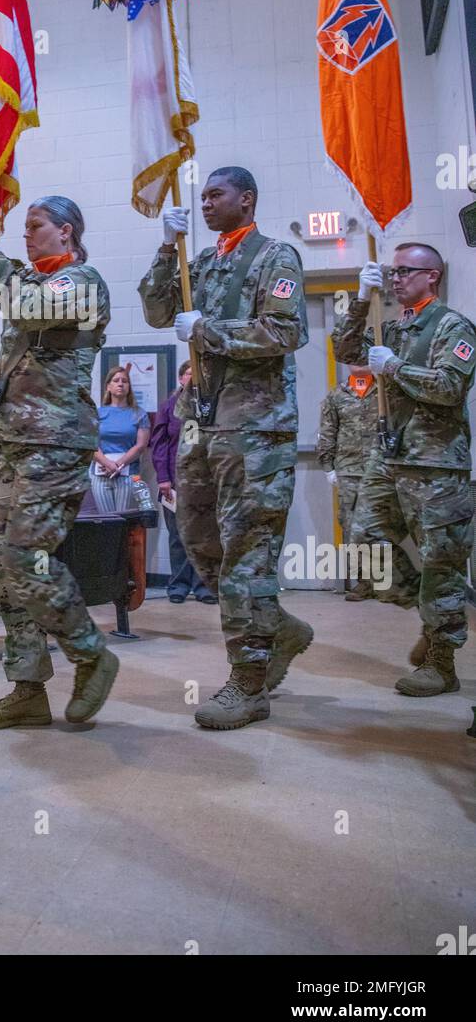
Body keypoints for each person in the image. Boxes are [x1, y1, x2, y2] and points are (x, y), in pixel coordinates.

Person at [139, 166, 310, 730]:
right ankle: (276, 627)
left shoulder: (275, 257)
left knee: (247, 553)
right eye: (203, 195)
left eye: (217, 194)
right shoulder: (202, 261)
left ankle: (249, 680)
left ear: (247, 199)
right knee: (198, 537)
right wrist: (167, 247)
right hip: (200, 422)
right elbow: (157, 311)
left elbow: (284, 333)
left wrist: (209, 330)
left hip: (253, 428)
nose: (206, 203)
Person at [0, 197, 118, 728]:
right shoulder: (19, 277)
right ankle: (27, 687)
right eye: (21, 228)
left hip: (57, 441)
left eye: (35, 226)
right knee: (4, 568)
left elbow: (26, 308)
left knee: (27, 559)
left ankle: (90, 653)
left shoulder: (82, 282)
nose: (26, 235)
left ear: (66, 231)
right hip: (12, 441)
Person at [331, 243, 475, 696]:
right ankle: (430, 617)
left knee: (441, 562)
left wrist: (394, 367)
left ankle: (441, 664)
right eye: (391, 273)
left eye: (404, 272)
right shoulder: (392, 326)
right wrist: (359, 298)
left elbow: (450, 387)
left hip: (435, 463)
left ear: (432, 275)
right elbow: (345, 348)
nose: (396, 280)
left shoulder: (453, 326)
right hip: (388, 456)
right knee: (363, 544)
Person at [316, 365, 419, 603]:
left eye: (364, 357)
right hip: (349, 470)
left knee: (382, 527)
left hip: (381, 470)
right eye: (353, 360)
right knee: (352, 527)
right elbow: (328, 431)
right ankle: (364, 582)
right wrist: (328, 467)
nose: (358, 363)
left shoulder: (385, 390)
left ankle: (385, 582)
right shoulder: (337, 395)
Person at [150, 360, 216, 603]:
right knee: (177, 536)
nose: (192, 378)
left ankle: (204, 586)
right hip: (175, 483)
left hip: (204, 484)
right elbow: (159, 445)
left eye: (196, 374)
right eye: (188, 374)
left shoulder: (210, 406)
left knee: (205, 536)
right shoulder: (169, 406)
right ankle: (178, 586)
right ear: (180, 378)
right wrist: (163, 478)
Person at [90, 365, 150, 513]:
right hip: (101, 473)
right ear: (108, 386)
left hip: (127, 475)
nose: (120, 384)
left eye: (125, 381)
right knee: (106, 522)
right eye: (116, 380)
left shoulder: (139, 414)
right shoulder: (97, 413)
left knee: (124, 522)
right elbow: (89, 444)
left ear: (129, 386)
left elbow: (141, 446)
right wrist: (107, 463)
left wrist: (117, 465)